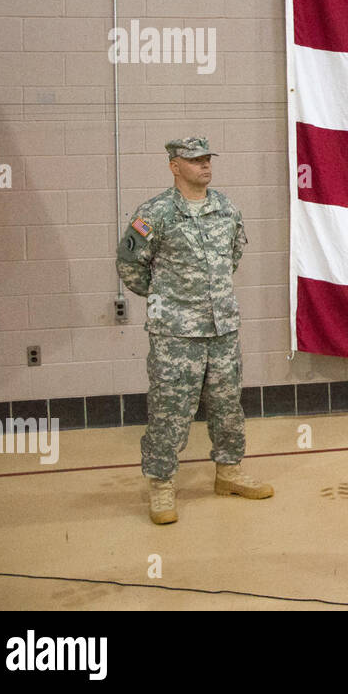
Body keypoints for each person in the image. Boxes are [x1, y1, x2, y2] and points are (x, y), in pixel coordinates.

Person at [116, 137, 273, 525]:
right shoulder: (155, 213)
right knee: (170, 410)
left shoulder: (226, 209)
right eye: (194, 160)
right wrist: (167, 298)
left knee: (227, 406)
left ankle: (229, 472)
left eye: (207, 159)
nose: (204, 166)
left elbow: (233, 256)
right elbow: (129, 265)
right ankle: (162, 484)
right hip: (175, 334)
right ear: (174, 166)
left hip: (222, 328)